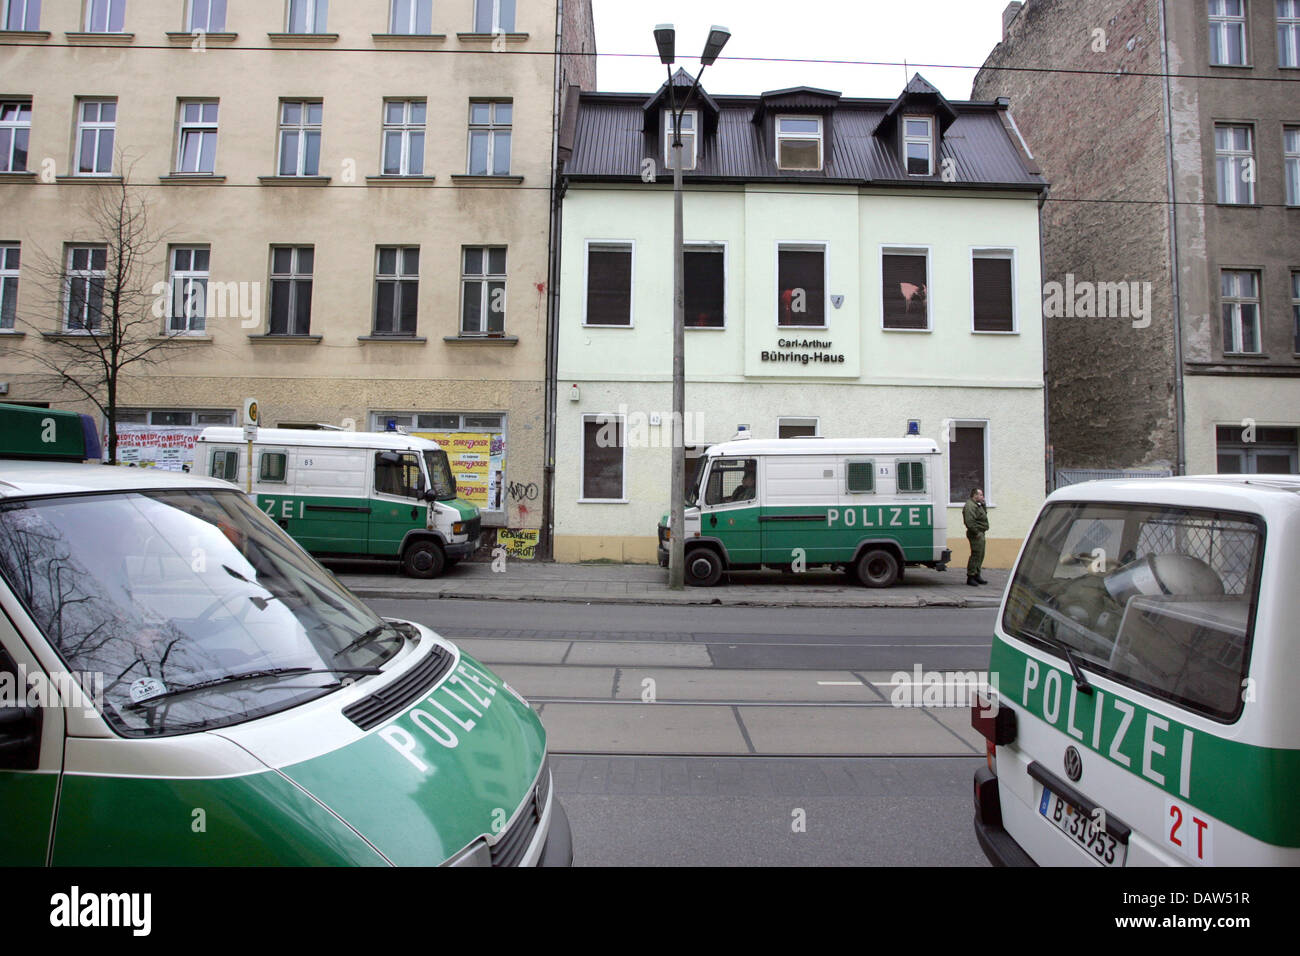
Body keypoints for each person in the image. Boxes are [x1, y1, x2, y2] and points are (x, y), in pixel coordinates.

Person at [963, 487, 989, 586]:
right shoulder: (970, 506)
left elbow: (983, 515)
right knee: (976, 554)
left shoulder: (977, 505)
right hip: (975, 534)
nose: (982, 496)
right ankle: (971, 576)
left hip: (980, 533)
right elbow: (969, 521)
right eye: (981, 495)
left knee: (980, 554)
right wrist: (976, 532)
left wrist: (983, 504)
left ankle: (977, 574)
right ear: (975, 495)